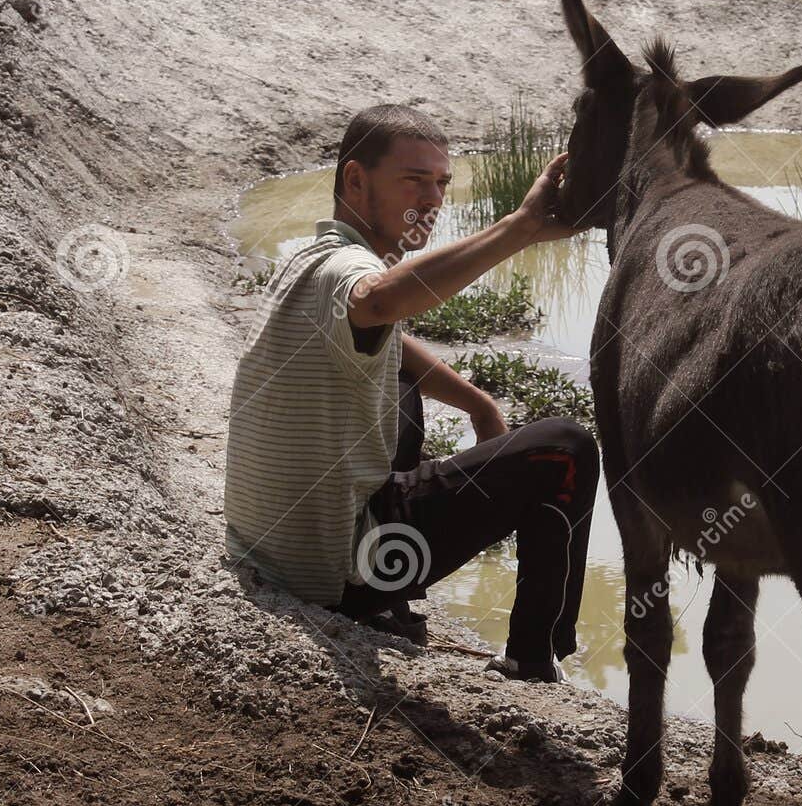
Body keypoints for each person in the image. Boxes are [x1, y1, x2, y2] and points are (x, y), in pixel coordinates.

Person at [223, 104, 599, 683]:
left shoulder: (311, 254)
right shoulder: (347, 270)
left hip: (267, 549)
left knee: (401, 389)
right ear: (355, 179)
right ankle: (533, 656)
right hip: (330, 576)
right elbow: (376, 303)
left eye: (441, 183)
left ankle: (395, 604)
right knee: (565, 448)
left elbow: (382, 330)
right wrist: (518, 227)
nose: (431, 198)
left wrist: (479, 403)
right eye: (413, 180)